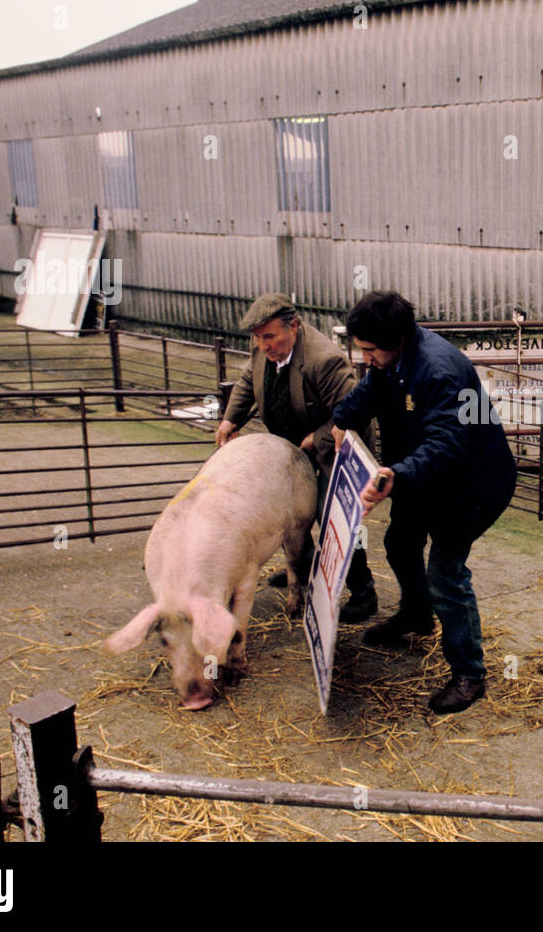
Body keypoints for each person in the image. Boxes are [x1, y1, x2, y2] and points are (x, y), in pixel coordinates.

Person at [332, 291, 517, 714]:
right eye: (361, 349)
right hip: (426, 476)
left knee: (446, 574)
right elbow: (371, 389)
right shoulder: (392, 359)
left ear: (396, 338)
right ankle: (416, 615)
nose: (365, 358)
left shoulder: (439, 371)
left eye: (369, 350)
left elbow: (449, 443)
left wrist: (398, 475)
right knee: (400, 542)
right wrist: (342, 419)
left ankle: (470, 676)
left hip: (473, 483)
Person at [216, 292, 378, 623]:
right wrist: (231, 418)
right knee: (290, 511)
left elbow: (355, 413)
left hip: (334, 449)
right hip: (289, 446)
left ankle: (364, 591)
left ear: (294, 326)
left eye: (269, 337)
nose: (263, 345)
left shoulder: (324, 360)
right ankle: (301, 569)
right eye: (258, 338)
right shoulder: (264, 347)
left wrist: (315, 437)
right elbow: (249, 378)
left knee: (330, 513)